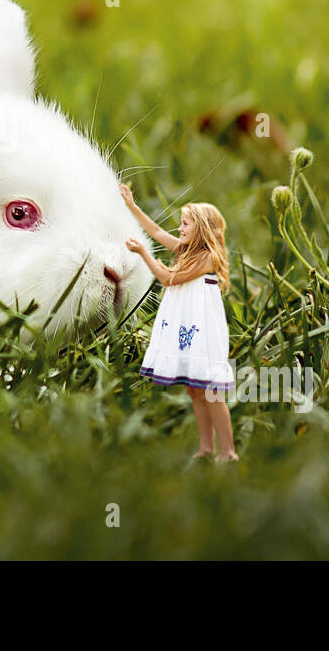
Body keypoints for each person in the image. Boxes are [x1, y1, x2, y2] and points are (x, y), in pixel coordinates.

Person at [120, 184, 238, 462]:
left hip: (201, 330)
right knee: (194, 390)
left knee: (211, 392)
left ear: (202, 229)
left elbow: (167, 278)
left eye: (185, 224)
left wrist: (143, 253)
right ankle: (207, 448)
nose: (180, 229)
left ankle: (228, 451)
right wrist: (132, 206)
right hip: (186, 324)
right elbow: (157, 233)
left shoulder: (207, 258)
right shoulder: (187, 250)